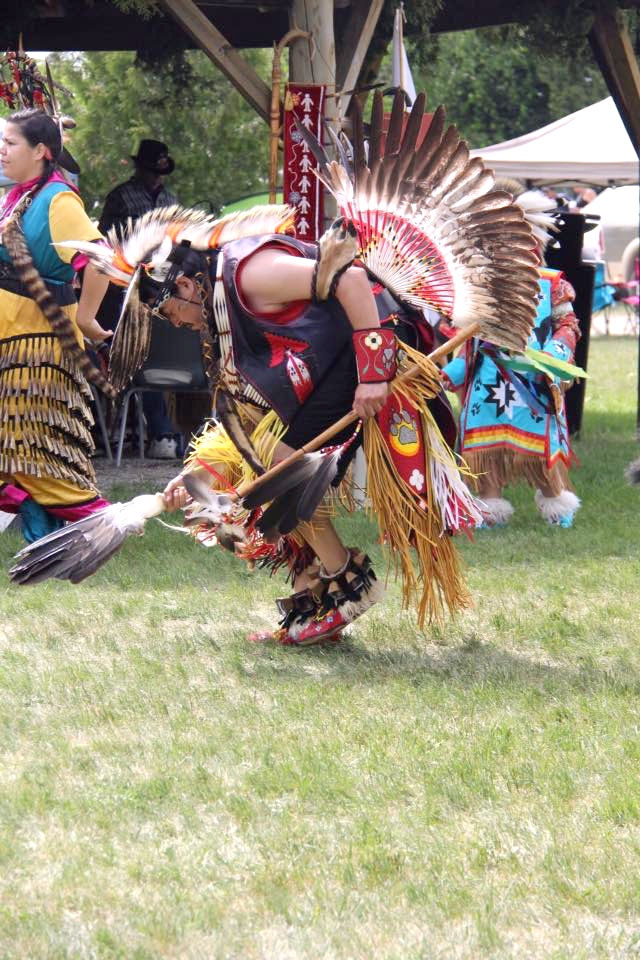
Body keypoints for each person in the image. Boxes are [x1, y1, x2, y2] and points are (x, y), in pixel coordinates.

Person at [0, 108, 112, 542]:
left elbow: (99, 259)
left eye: (10, 143)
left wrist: (86, 317)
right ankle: (43, 536)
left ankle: (103, 527)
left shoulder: (58, 200)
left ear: (41, 151)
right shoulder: (20, 196)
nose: (2, 151)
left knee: (41, 463)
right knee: (22, 460)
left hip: (37, 351)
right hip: (13, 343)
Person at [440, 189, 581, 528]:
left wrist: (552, 357)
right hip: (487, 383)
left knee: (539, 453)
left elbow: (568, 326)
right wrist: (451, 374)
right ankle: (489, 505)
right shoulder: (481, 290)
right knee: (486, 450)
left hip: (533, 382)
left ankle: (556, 501)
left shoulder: (551, 285)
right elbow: (468, 345)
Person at [98, 139, 181, 459]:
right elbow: (106, 239)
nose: (157, 177)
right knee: (138, 351)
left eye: (161, 171)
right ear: (141, 169)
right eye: (152, 171)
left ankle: (170, 430)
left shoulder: (171, 199)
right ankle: (154, 430)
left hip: (163, 284)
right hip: (127, 285)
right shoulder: (120, 197)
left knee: (163, 349)